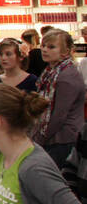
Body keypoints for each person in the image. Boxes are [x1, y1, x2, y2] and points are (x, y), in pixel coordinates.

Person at [30, 28, 86, 169]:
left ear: (65, 51)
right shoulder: (51, 72)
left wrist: (42, 138)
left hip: (63, 139)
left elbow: (59, 114)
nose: (44, 50)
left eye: (51, 47)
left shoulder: (66, 76)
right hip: (54, 137)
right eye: (43, 45)